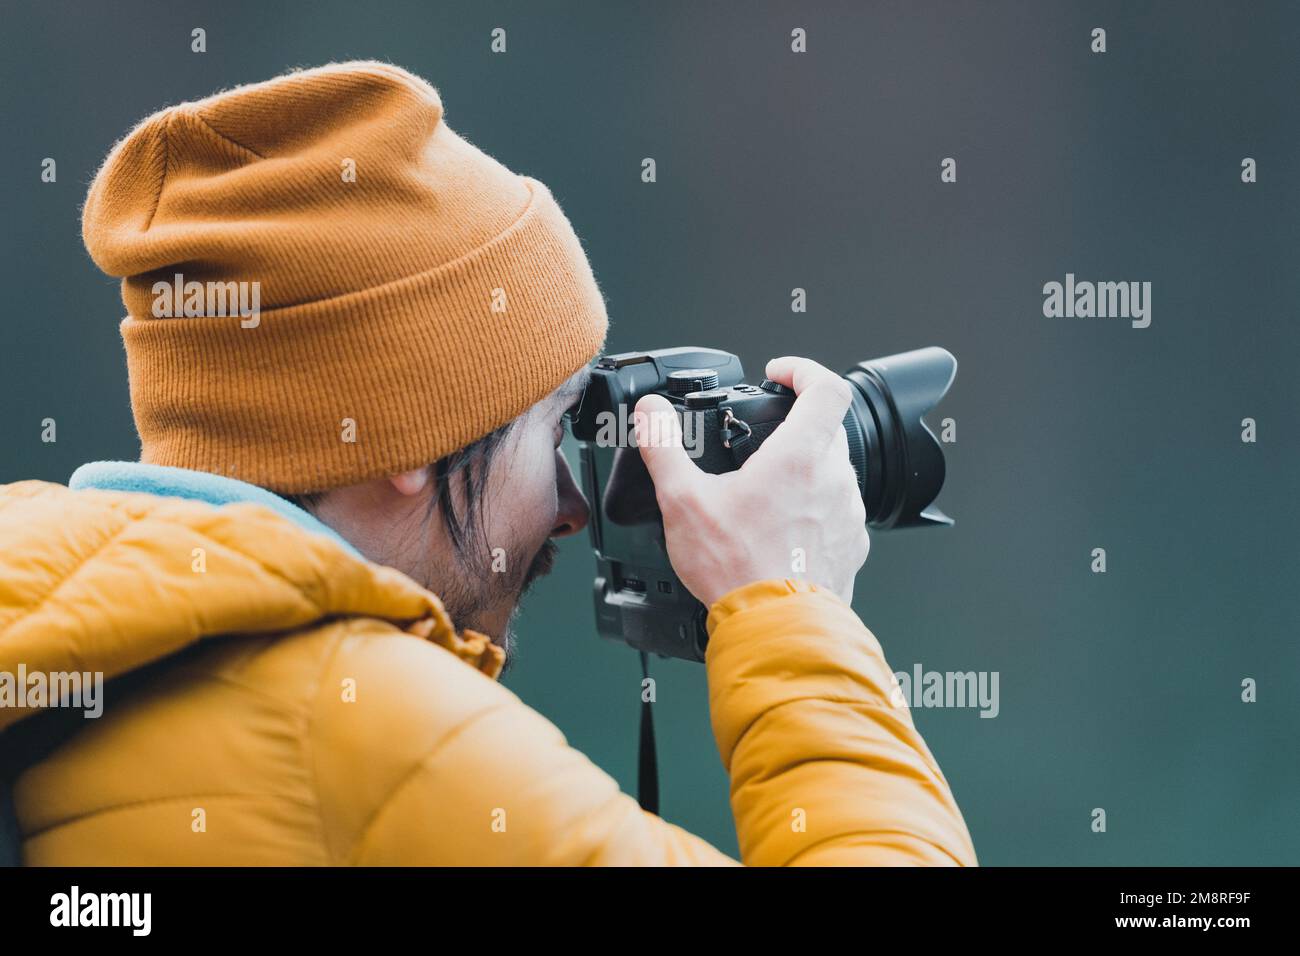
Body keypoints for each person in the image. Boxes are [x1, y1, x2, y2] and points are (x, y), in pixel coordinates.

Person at [0, 62, 976, 865]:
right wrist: (795, 609)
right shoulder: (368, 731)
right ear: (395, 442)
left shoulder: (59, 628)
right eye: (555, 421)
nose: (571, 507)